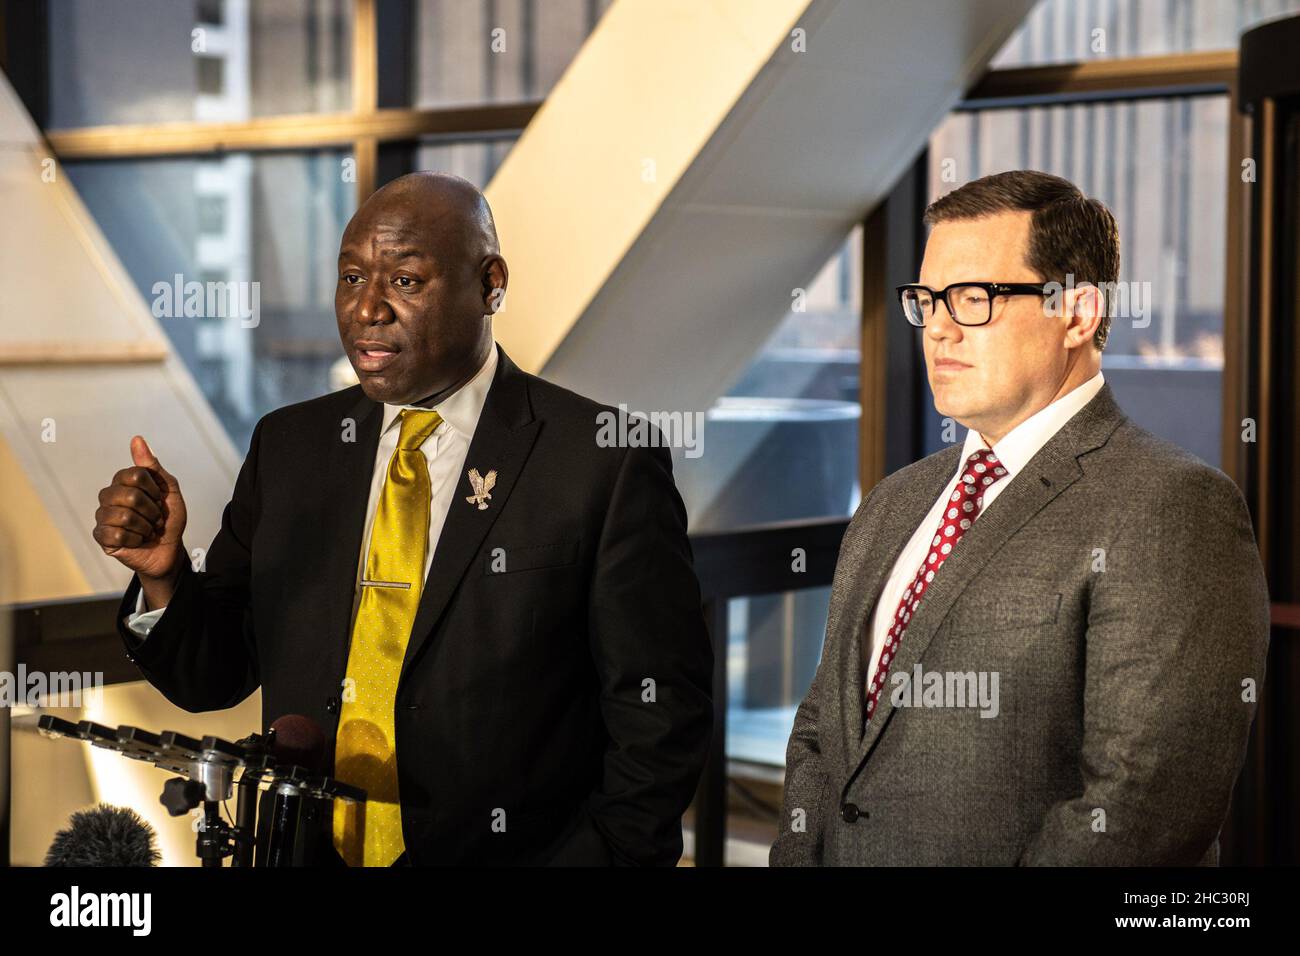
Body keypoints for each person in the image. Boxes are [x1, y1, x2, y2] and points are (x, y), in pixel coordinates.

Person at [93, 172, 713, 866]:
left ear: (491, 285)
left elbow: (660, 718)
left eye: (406, 282)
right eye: (352, 277)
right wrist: (165, 577)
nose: (367, 310)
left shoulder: (601, 460)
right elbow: (216, 674)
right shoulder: (290, 447)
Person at [771, 170, 1269, 866]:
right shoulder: (895, 501)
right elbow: (823, 730)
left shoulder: (1172, 506)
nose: (939, 328)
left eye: (974, 298)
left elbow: (1138, 812)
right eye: (927, 299)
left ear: (1078, 313)